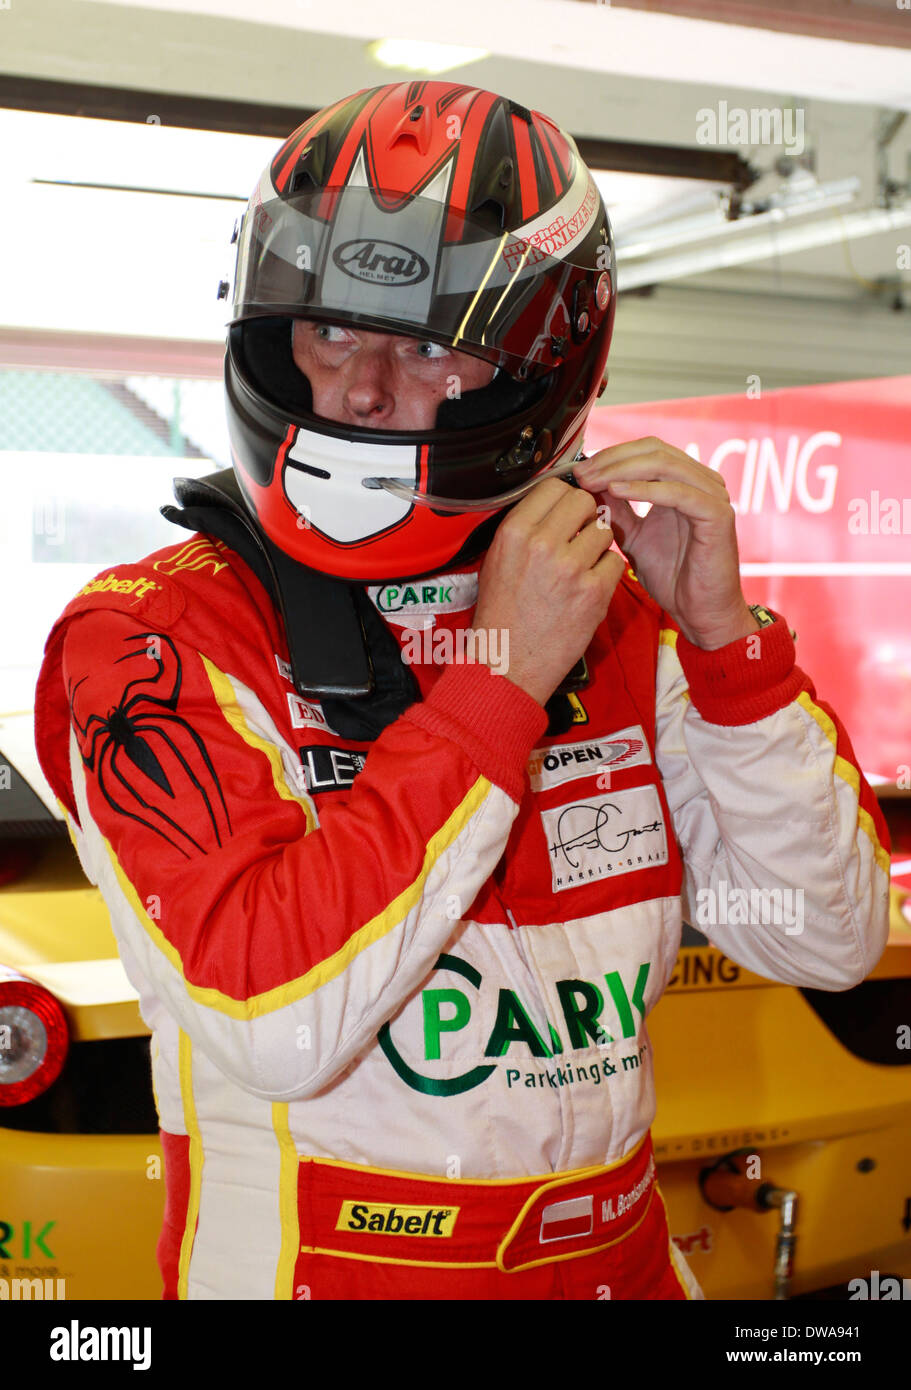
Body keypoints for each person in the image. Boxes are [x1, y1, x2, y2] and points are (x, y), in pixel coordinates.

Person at [35, 81, 890, 1301]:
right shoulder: (152, 633)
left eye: (432, 344)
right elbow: (274, 1018)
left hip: (623, 1266)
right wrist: (499, 686)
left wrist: (722, 642)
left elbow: (824, 938)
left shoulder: (621, 608)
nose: (364, 391)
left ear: (544, 365)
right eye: (329, 332)